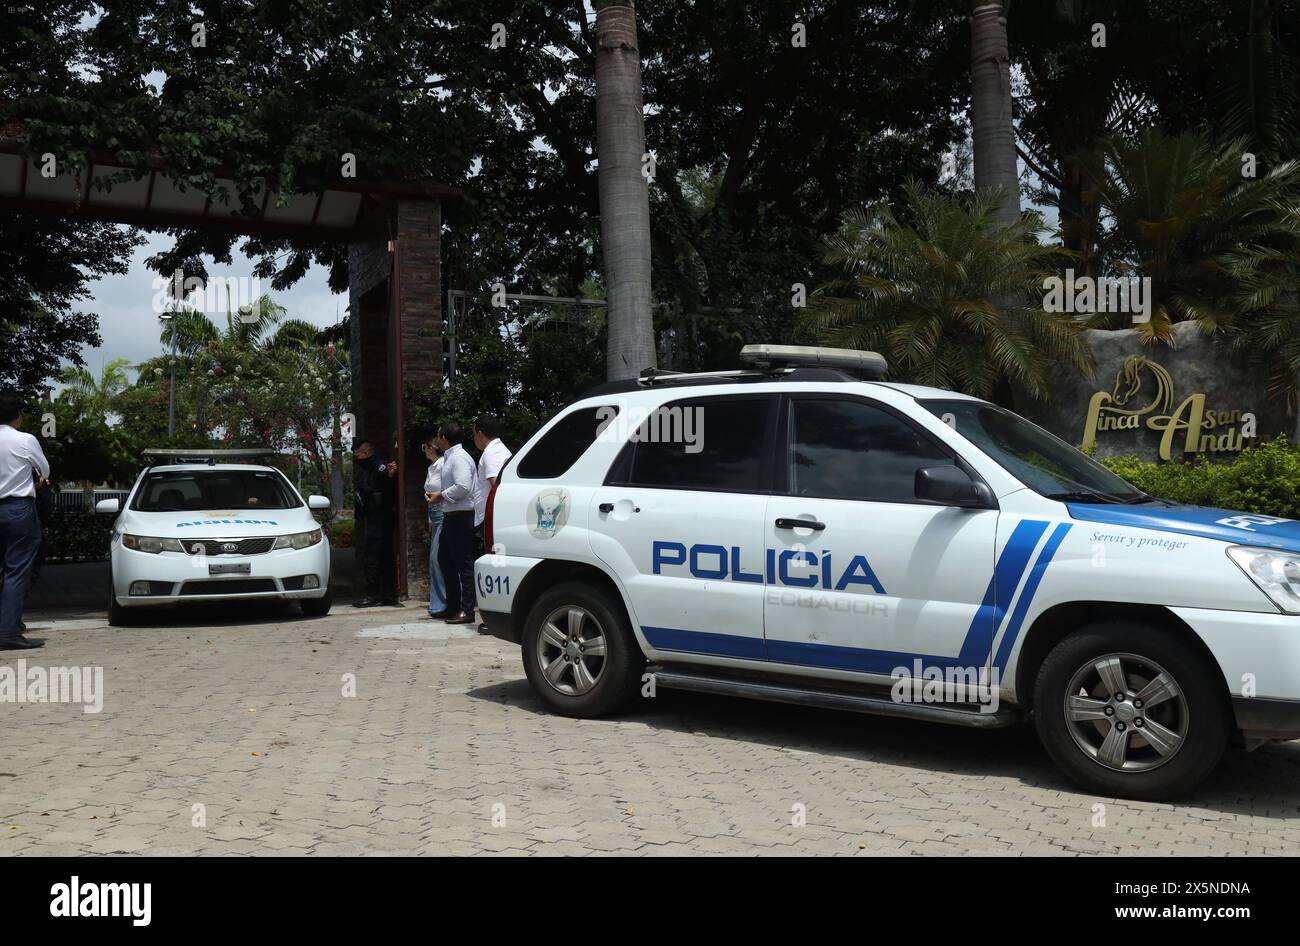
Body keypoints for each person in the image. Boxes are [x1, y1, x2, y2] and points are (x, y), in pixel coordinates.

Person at [0, 393, 49, 649]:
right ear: (17, 415)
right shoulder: (24, 440)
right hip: (18, 508)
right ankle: (8, 631)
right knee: (16, 571)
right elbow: (44, 470)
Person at [425, 422, 477, 624]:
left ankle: (467, 609)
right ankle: (453, 606)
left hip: (461, 515)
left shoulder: (459, 458)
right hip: (451, 515)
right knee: (444, 560)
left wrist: (441, 496)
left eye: (438, 437)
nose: (436, 441)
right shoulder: (450, 457)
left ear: (444, 439)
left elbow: (463, 486)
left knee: (463, 563)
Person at [350, 437, 398, 608]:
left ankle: (374, 595)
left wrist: (390, 473)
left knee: (373, 557)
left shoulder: (379, 467)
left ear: (367, 453)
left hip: (380, 518)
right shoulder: (371, 468)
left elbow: (387, 481)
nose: (356, 459)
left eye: (358, 455)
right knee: (383, 556)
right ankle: (388, 594)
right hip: (375, 518)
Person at [422, 435, 447, 618]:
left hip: (443, 512)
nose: (425, 450)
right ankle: (439, 602)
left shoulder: (443, 465)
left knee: (438, 560)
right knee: (436, 560)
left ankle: (443, 603)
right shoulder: (432, 467)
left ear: (433, 448)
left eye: (426, 446)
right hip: (434, 513)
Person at [473, 415, 512, 534]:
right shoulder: (498, 449)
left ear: (480, 433)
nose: (474, 438)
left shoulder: (492, 452)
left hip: (493, 516)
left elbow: (497, 485)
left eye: (474, 434)